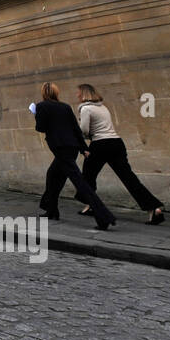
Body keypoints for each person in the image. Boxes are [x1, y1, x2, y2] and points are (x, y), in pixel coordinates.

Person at [76, 84, 166, 224]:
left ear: (84, 94)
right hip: (116, 143)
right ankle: (153, 208)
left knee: (87, 175)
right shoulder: (103, 107)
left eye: (79, 93)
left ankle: (91, 205)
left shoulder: (85, 108)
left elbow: (85, 131)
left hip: (100, 144)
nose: (77, 96)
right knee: (128, 178)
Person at [32, 81, 117, 230]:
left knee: (80, 182)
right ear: (56, 93)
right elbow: (75, 129)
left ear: (43, 94)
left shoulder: (41, 106)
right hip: (71, 147)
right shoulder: (65, 107)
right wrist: (83, 148)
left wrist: (35, 113)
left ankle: (103, 217)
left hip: (60, 148)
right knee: (53, 175)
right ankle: (51, 210)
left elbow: (41, 128)